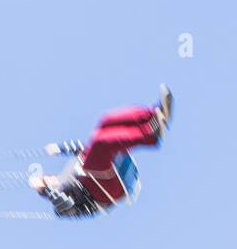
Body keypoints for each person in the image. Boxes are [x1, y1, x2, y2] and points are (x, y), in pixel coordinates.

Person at [30, 87, 172, 217]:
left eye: (47, 177)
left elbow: (83, 150)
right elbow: (68, 208)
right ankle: (150, 135)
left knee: (106, 122)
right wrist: (49, 192)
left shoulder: (67, 172)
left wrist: (60, 148)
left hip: (103, 172)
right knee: (100, 143)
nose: (49, 178)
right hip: (102, 190)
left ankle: (154, 115)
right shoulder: (61, 198)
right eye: (46, 182)